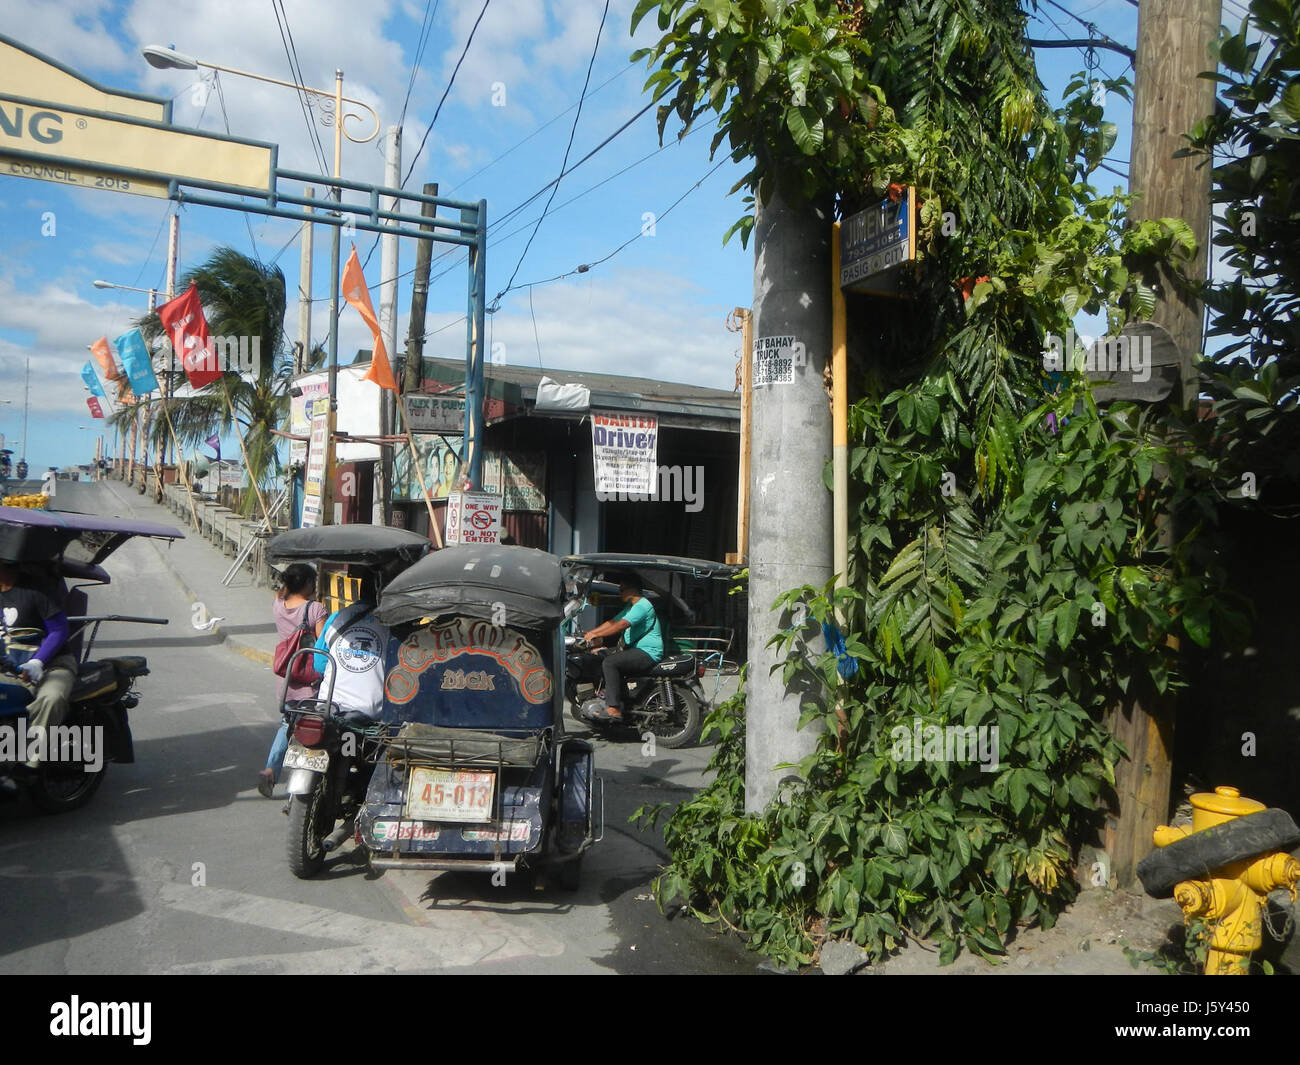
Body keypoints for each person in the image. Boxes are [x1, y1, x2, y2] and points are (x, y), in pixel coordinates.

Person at [258, 563, 327, 798]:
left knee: (287, 725)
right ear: (308, 583)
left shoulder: (278, 605)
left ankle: (270, 769)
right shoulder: (315, 609)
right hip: (310, 683)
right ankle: (296, 796)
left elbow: (281, 592)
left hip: (287, 681)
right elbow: (323, 644)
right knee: (310, 733)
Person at [0, 559, 76, 769]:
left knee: (51, 698)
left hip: (52, 664)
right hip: (8, 665)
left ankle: (27, 763)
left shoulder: (37, 589)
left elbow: (58, 630)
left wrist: (37, 662)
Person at [582, 576, 664, 722]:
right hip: (634, 649)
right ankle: (602, 693)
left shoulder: (642, 606)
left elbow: (621, 625)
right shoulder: (631, 606)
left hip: (647, 652)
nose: (620, 593)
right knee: (597, 654)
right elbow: (612, 622)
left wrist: (596, 634)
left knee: (610, 662)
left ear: (632, 590)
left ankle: (613, 708)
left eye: (622, 590)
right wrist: (591, 633)